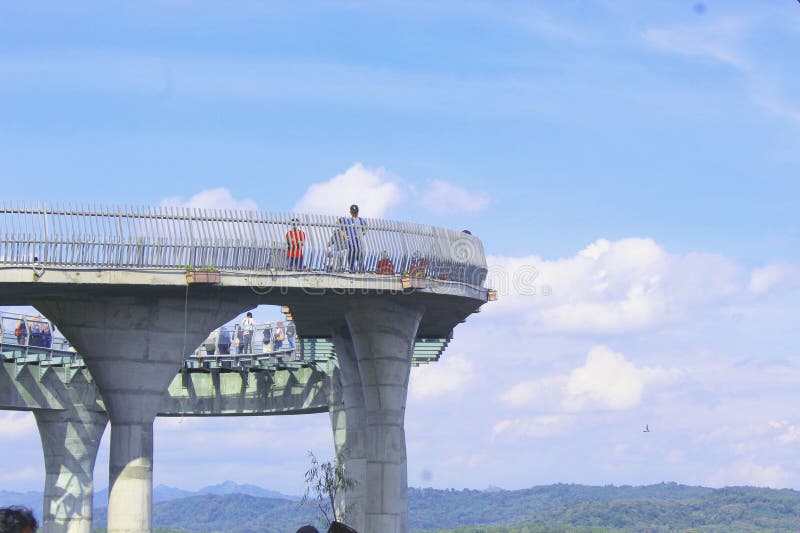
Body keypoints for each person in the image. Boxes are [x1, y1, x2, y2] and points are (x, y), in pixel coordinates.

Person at [344, 204, 366, 272]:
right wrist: (346, 236)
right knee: (351, 257)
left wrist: (359, 235)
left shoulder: (361, 220)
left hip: (359, 243)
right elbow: (342, 230)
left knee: (359, 258)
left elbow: (364, 231)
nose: (355, 214)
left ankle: (361, 271)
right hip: (351, 243)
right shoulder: (347, 221)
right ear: (350, 212)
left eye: (356, 212)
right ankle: (351, 270)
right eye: (353, 212)